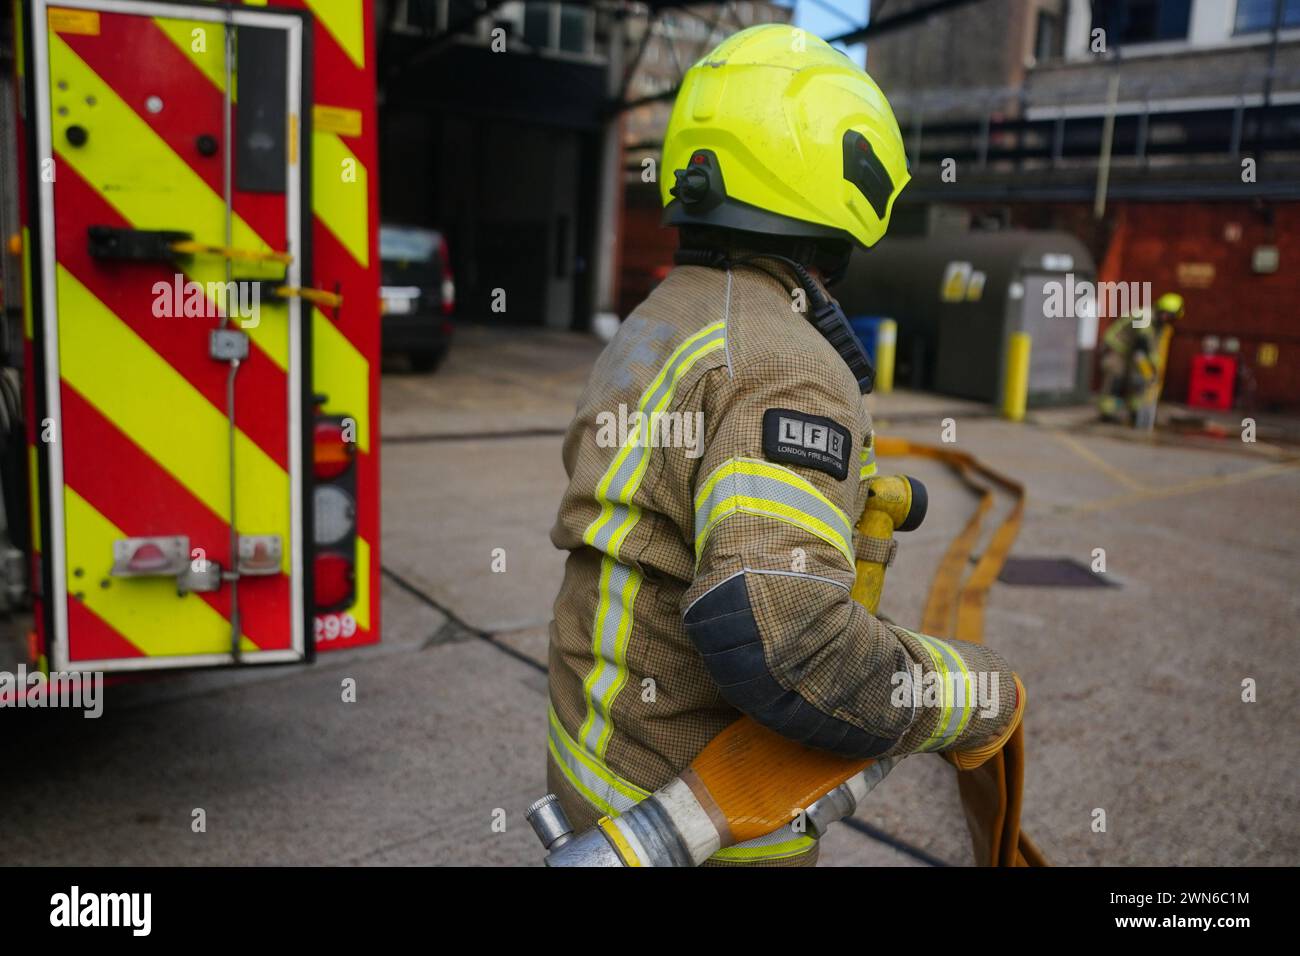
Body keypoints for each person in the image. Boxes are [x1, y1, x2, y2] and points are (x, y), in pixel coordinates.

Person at [545, 25, 1024, 867]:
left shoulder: (665, 317)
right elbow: (787, 641)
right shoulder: (782, 365)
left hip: (598, 769)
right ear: (837, 184)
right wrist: (973, 694)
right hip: (697, 819)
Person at [1098, 292, 1184, 424]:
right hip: (1117, 348)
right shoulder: (1144, 317)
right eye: (1165, 313)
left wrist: (1154, 365)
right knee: (1116, 377)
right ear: (1159, 308)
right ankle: (1107, 412)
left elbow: (1152, 348)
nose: (1166, 318)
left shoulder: (1160, 325)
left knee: (1138, 381)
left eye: (1170, 316)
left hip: (1132, 351)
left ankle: (1136, 411)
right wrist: (1148, 370)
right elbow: (1141, 346)